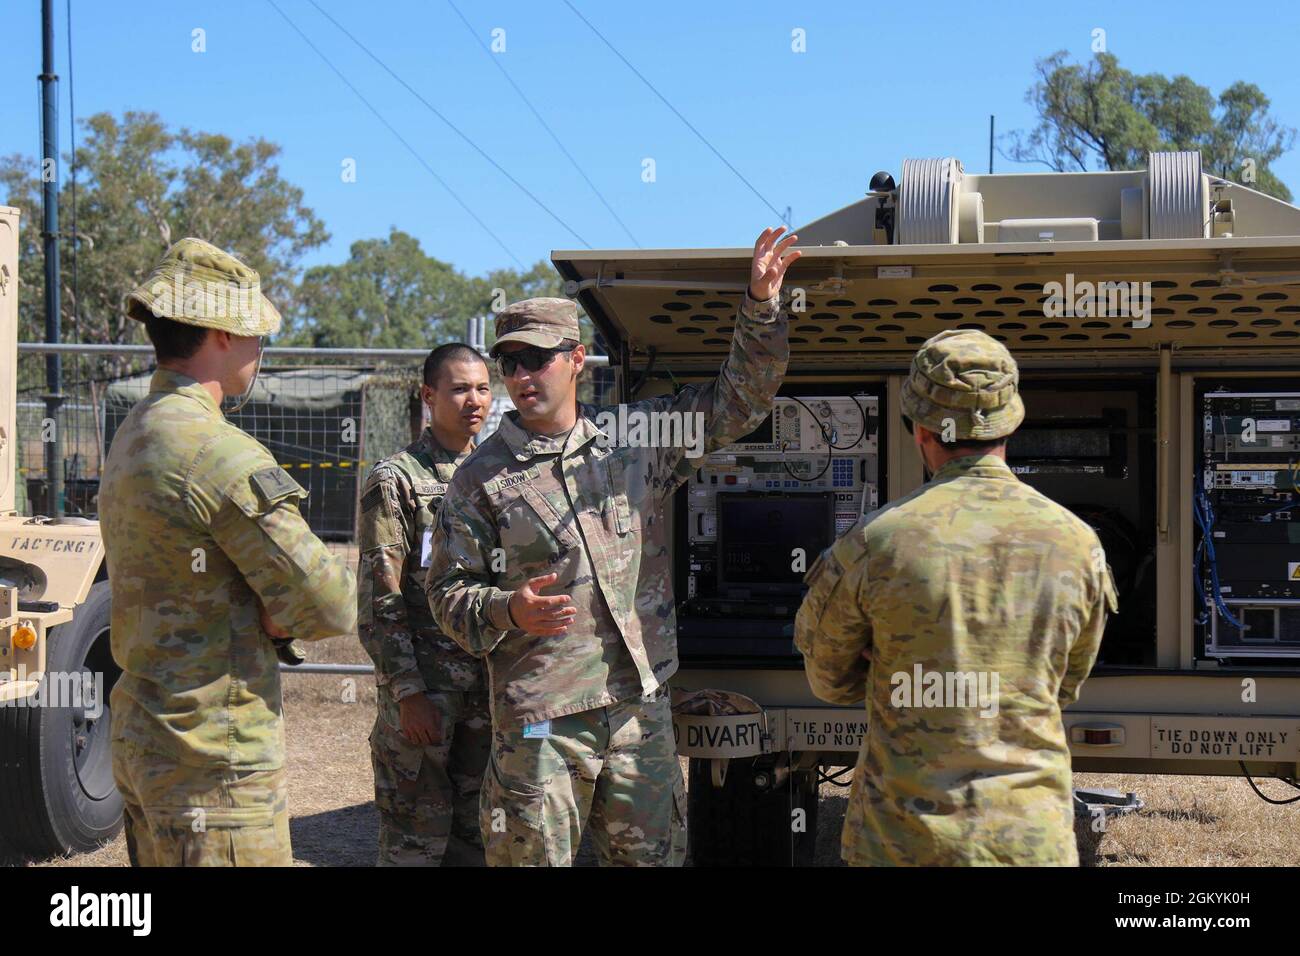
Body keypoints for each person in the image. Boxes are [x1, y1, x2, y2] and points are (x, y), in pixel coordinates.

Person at [426, 227, 801, 866]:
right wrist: (506, 610)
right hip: (542, 721)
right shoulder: (479, 478)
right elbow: (446, 594)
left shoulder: (636, 444)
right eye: (508, 363)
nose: (519, 376)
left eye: (535, 359)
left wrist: (761, 307)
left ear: (576, 358)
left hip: (637, 711)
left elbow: (739, 403)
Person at [794, 329, 1117, 866]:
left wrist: (894, 661)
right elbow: (1064, 685)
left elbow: (828, 680)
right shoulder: (1078, 543)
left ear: (921, 429)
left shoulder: (874, 544)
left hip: (902, 843)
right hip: (1029, 842)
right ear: (1010, 422)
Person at [100, 238, 357, 866]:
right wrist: (276, 612)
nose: (261, 350)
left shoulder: (135, 431)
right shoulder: (218, 452)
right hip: (215, 760)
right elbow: (330, 606)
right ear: (220, 333)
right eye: (255, 334)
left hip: (146, 736)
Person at [358, 343, 494, 866]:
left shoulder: (500, 474)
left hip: (488, 690)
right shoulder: (397, 479)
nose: (473, 401)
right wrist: (408, 691)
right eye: (459, 389)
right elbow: (380, 596)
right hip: (427, 693)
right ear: (429, 395)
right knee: (415, 840)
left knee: (479, 836)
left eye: (483, 388)